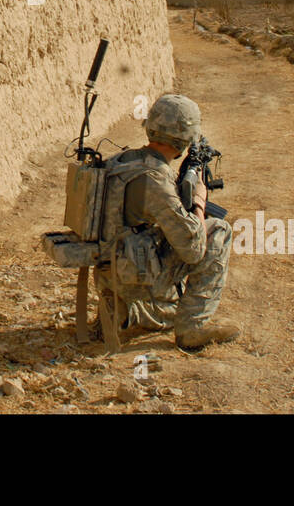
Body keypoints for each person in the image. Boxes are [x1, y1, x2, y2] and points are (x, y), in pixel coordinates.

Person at [96, 93, 240, 351]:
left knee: (171, 306)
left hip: (109, 271)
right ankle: (192, 329)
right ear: (185, 138)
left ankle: (122, 313)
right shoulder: (155, 179)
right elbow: (193, 249)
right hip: (133, 275)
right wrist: (198, 200)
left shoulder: (123, 161)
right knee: (218, 230)